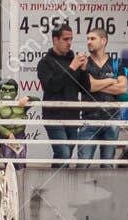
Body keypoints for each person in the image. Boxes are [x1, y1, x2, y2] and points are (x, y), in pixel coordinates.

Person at [36, 24, 90, 166]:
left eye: (71, 39)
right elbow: (52, 86)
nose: (69, 43)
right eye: (66, 39)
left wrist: (84, 70)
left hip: (72, 115)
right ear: (55, 40)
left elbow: (85, 89)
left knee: (66, 153)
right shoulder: (45, 63)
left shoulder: (74, 59)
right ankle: (55, 183)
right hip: (53, 115)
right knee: (63, 153)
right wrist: (72, 68)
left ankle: (56, 182)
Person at [80, 27, 128, 162]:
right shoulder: (85, 63)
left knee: (108, 163)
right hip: (89, 118)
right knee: (83, 163)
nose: (89, 42)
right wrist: (109, 81)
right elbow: (88, 85)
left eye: (92, 38)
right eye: (87, 39)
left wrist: (95, 85)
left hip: (112, 118)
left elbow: (123, 88)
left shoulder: (115, 63)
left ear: (103, 41)